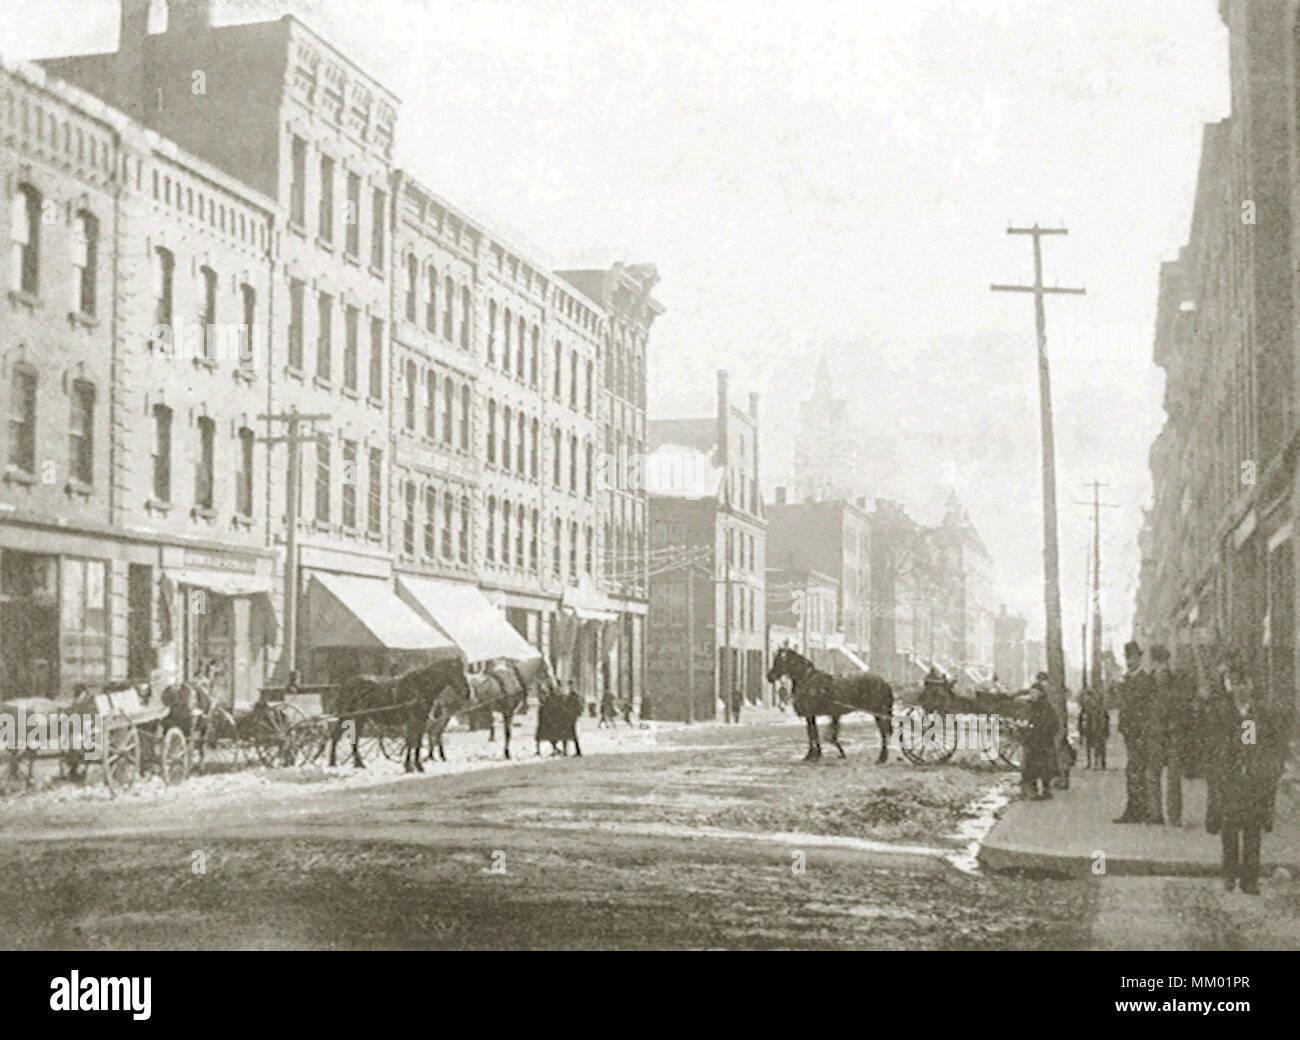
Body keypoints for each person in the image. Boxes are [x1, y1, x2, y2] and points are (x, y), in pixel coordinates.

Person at [1206, 657, 1286, 894]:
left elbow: (1264, 744)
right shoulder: (1222, 712)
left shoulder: (1259, 713)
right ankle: (1229, 876)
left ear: (1251, 686)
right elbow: (1214, 746)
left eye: (1245, 684)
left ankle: (1249, 880)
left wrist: (1263, 768)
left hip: (1252, 780)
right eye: (1235, 683)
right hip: (1230, 779)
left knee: (1252, 830)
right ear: (1229, 685)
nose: (1240, 688)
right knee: (1229, 830)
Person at [1114, 640, 1161, 824]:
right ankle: (1136, 809)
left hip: (1140, 733)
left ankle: (1140, 810)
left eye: (1132, 658)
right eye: (1128, 658)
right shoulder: (1131, 679)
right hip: (1132, 733)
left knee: (1137, 771)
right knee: (1133, 771)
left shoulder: (1143, 680)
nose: (1129, 661)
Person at [1151, 644, 1192, 826]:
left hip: (1165, 732)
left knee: (1162, 775)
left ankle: (1161, 814)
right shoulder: (1174, 682)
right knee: (1167, 776)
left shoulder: (1250, 714)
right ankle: (1168, 816)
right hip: (1167, 732)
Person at [1021, 673, 1059, 800]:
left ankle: (1041, 791)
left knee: (1038, 767)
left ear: (1040, 694)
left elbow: (1053, 725)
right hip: (1037, 742)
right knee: (1038, 767)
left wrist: (1040, 732)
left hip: (1040, 742)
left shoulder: (1044, 707)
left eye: (1034, 693)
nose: (1032, 695)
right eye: (1031, 693)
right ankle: (1039, 791)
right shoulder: (1035, 706)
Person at [1078, 684, 1109, 769]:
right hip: (1090, 728)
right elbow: (1081, 718)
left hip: (1097, 728)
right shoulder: (1086, 707)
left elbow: (1103, 718)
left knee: (1099, 746)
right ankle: (1092, 763)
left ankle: (1099, 763)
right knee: (1090, 745)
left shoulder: (1097, 707)